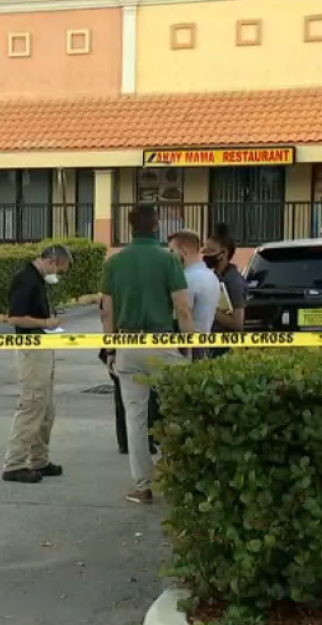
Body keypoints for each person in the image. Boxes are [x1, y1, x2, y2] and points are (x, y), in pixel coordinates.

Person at [101, 205, 194, 505]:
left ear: (130, 228)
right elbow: (182, 307)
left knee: (136, 418)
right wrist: (189, 346)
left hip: (128, 345)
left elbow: (108, 312)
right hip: (164, 343)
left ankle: (142, 486)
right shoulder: (168, 260)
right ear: (156, 226)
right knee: (175, 411)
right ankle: (179, 478)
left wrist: (111, 349)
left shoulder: (115, 263)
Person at [2, 244, 73, 484]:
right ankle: (14, 463)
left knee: (46, 407)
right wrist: (46, 322)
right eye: (60, 269)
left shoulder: (37, 279)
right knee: (32, 404)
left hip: (43, 346)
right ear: (51, 260)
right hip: (32, 350)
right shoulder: (25, 279)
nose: (58, 274)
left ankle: (39, 460)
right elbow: (15, 316)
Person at [168, 229, 221, 359]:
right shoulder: (212, 276)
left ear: (184, 251)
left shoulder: (186, 279)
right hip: (204, 344)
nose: (169, 257)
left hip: (187, 349)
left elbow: (181, 314)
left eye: (172, 251)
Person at [204, 223, 247, 358]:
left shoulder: (234, 282)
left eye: (210, 251)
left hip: (225, 350)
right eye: (205, 250)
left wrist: (209, 309)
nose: (206, 255)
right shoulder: (214, 276)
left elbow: (237, 323)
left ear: (224, 253)